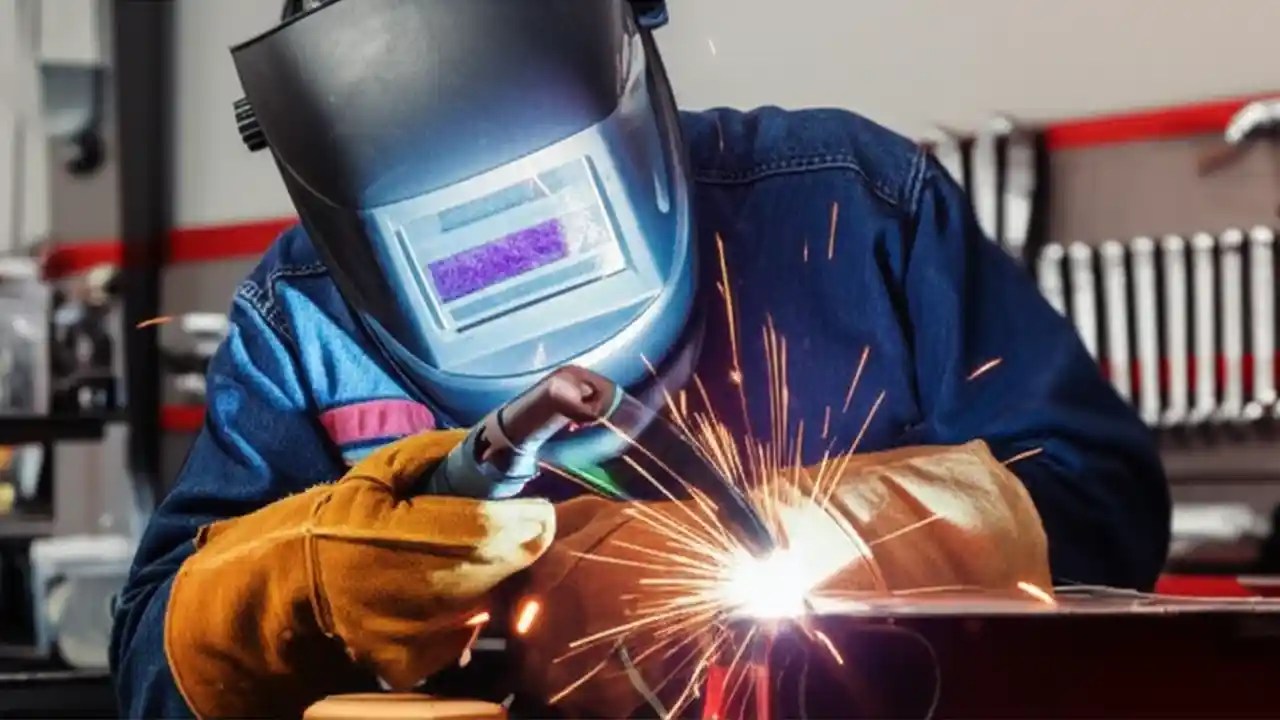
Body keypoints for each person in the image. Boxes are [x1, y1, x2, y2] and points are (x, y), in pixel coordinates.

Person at [110, 0, 1170, 717]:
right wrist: (288, 593)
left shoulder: (849, 203)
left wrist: (832, 535)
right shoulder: (305, 322)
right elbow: (147, 677)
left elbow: (1102, 511)